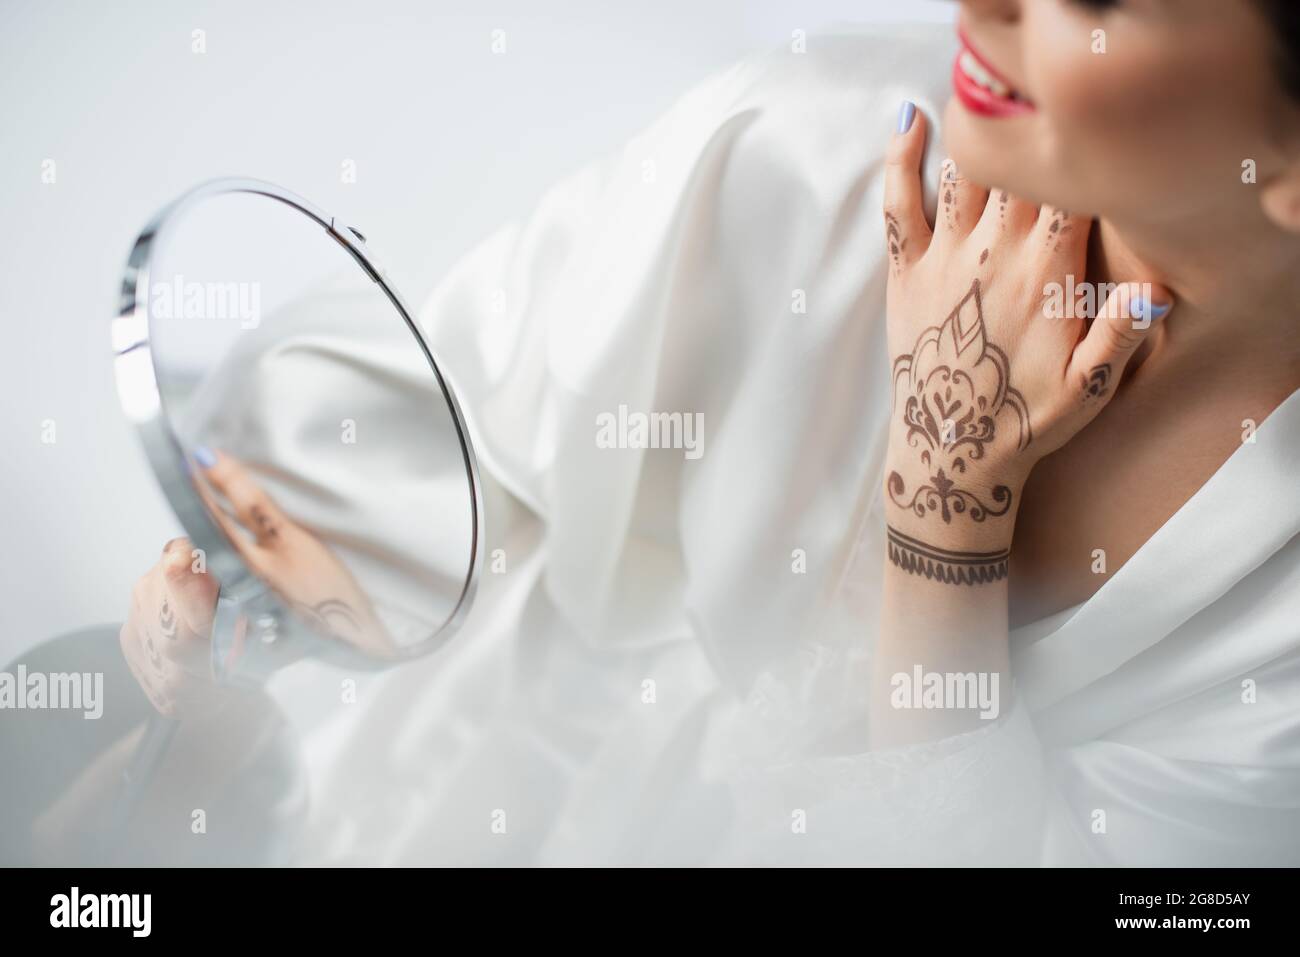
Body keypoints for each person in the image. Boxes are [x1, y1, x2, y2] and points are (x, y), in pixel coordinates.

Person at [113, 0, 1300, 865]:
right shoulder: (804, 144)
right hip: (495, 798)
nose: (984, 7)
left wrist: (947, 501)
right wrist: (266, 570)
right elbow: (460, 402)